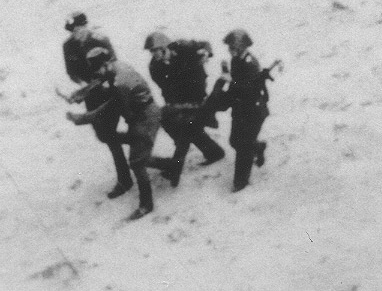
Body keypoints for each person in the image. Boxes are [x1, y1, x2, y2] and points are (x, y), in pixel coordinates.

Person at [67, 45, 164, 220]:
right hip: (141, 114)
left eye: (99, 69)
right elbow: (101, 81)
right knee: (135, 150)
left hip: (145, 117)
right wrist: (82, 93)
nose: (98, 74)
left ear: (105, 64)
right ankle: (171, 166)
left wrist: (84, 118)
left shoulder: (121, 82)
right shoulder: (116, 66)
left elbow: (112, 106)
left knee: (137, 162)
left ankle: (146, 205)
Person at [143, 30, 226, 187]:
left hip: (196, 96)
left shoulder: (183, 47)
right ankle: (214, 152)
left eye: (155, 50)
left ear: (164, 47)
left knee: (186, 129)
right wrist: (176, 106)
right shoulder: (154, 67)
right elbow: (166, 87)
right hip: (177, 101)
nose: (153, 54)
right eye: (151, 52)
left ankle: (175, 168)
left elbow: (205, 45)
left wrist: (206, 53)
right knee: (178, 126)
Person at [60, 12, 130, 198]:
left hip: (111, 91)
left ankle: (125, 178)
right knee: (104, 135)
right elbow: (71, 72)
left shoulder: (100, 40)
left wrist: (102, 82)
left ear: (85, 26)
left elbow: (114, 65)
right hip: (92, 95)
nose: (77, 33)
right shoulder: (68, 46)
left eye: (79, 28)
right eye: (73, 31)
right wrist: (83, 86)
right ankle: (134, 144)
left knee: (123, 128)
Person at [209, 29, 272, 192]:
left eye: (233, 47)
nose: (230, 50)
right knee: (235, 141)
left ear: (242, 47)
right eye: (229, 47)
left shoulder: (251, 64)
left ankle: (240, 182)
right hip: (241, 108)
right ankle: (258, 147)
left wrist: (232, 81)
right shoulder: (236, 60)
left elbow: (251, 89)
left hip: (253, 110)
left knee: (243, 146)